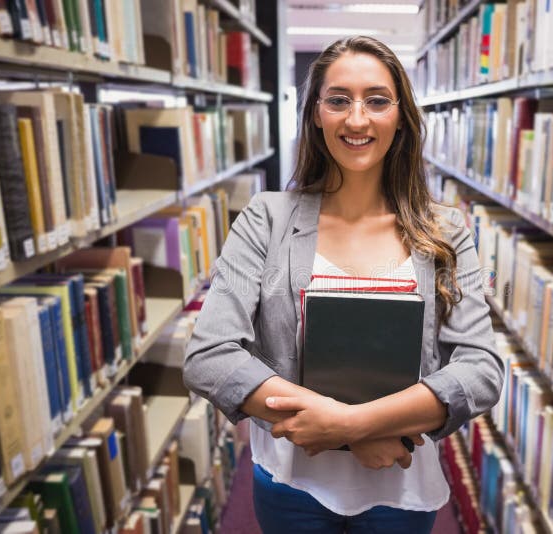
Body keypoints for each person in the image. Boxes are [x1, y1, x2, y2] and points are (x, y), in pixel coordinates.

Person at [183, 35, 504, 534]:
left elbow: (481, 369)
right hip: (292, 486)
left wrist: (351, 426)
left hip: (401, 491)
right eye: (338, 100)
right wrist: (350, 434)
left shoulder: (446, 231)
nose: (357, 119)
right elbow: (210, 355)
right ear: (315, 113)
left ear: (401, 116)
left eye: (377, 100)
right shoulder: (265, 219)